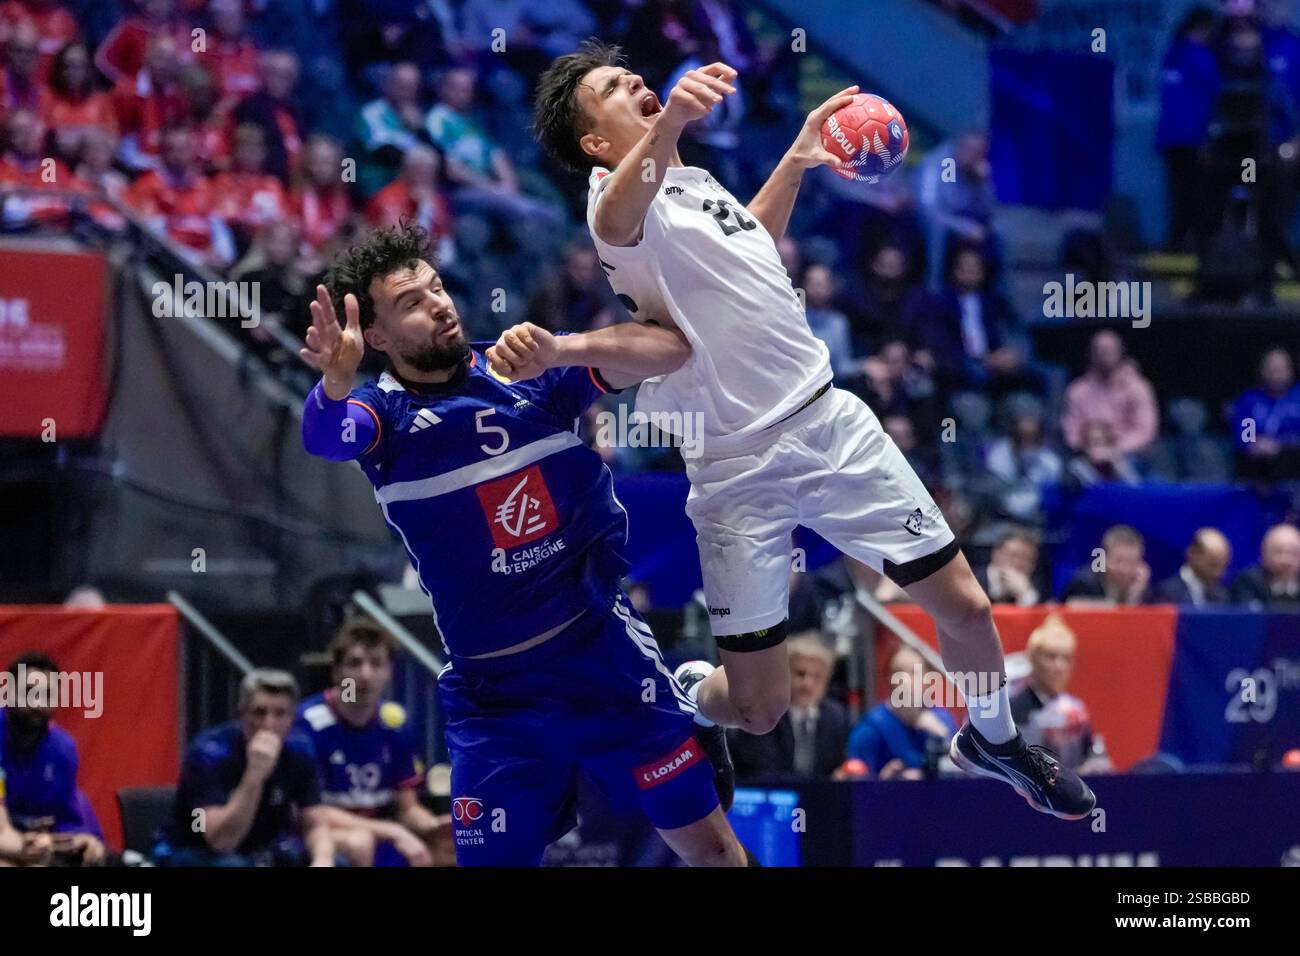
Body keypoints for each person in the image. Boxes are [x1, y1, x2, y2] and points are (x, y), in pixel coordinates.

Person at [530, 40, 1095, 819]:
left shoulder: (692, 186)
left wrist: (795, 159)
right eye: (616, 89)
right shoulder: (613, 206)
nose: (637, 82)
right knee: (758, 707)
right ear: (595, 141)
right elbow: (623, 208)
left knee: (965, 605)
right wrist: (672, 126)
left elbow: (752, 247)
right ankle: (691, 694)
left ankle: (993, 739)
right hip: (736, 471)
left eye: (635, 74)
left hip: (830, 423)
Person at [298, 223, 749, 866]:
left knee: (714, 853)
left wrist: (565, 350)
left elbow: (672, 348)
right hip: (494, 697)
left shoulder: (525, 367)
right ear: (376, 337)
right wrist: (333, 386)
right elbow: (324, 436)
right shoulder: (385, 420)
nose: (439, 305)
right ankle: (696, 703)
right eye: (411, 303)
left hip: (602, 657)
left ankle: (693, 703)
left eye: (436, 289)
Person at [294, 617, 453, 867]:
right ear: (336, 672)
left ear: (389, 671)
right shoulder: (307, 724)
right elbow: (310, 813)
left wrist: (433, 825)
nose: (366, 675)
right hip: (316, 836)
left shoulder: (395, 724)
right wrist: (393, 831)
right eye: (354, 664)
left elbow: (407, 807)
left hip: (379, 833)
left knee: (442, 851)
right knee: (360, 843)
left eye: (376, 663)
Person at [155, 670, 336, 866]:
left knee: (337, 862)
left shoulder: (299, 751)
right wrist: (254, 777)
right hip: (192, 848)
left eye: (280, 714)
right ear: (241, 714)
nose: (269, 724)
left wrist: (323, 859)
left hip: (260, 848)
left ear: (292, 718)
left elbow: (315, 824)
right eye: (259, 713)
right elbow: (221, 841)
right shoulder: (207, 754)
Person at [0, 652, 107, 867]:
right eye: (29, 693)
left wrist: (84, 840)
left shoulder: (62, 749)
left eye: (47, 694)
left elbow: (67, 818)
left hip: (38, 847)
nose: (38, 703)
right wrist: (24, 846)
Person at [726, 635, 849, 782]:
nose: (807, 683)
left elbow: (837, 768)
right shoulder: (761, 711)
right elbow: (762, 771)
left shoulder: (836, 717)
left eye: (817, 676)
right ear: (782, 675)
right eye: (800, 673)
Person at [1010, 616, 1112, 775]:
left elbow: (1090, 756)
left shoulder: (1076, 709)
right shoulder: (1013, 708)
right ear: (1032, 659)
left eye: (1066, 658)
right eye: (1051, 657)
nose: (1059, 666)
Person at [848, 646, 956, 780]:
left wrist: (943, 736)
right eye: (898, 672)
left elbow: (962, 773)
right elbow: (855, 788)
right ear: (889, 679)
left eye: (913, 672)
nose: (904, 680)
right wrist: (885, 783)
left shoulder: (942, 720)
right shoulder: (871, 727)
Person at [1062, 331, 1159, 458]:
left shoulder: (1138, 388)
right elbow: (1071, 430)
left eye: (1109, 349)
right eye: (1099, 350)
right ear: (1091, 355)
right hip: (1086, 455)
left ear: (1120, 352)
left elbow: (1145, 432)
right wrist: (1088, 449)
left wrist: (1114, 451)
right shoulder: (1077, 391)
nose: (1104, 354)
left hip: (1129, 455)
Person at [1063, 524, 1151, 605]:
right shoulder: (1084, 582)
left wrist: (1135, 595)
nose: (1124, 569)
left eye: (1131, 562)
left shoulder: (1142, 586)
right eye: (1118, 561)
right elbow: (1073, 606)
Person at [1151, 527, 1232, 605]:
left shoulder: (1221, 595)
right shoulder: (1167, 592)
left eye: (1222, 566)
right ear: (1192, 554)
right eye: (1212, 565)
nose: (1218, 573)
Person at [1231, 523, 1300, 609]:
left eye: (1293, 553)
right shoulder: (1248, 581)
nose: (1285, 560)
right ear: (1264, 554)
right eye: (1278, 552)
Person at [974, 527, 1043, 607]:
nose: (1017, 563)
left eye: (1026, 559)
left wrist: (1025, 594)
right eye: (1013, 555)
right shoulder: (971, 579)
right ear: (995, 554)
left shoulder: (1036, 590)